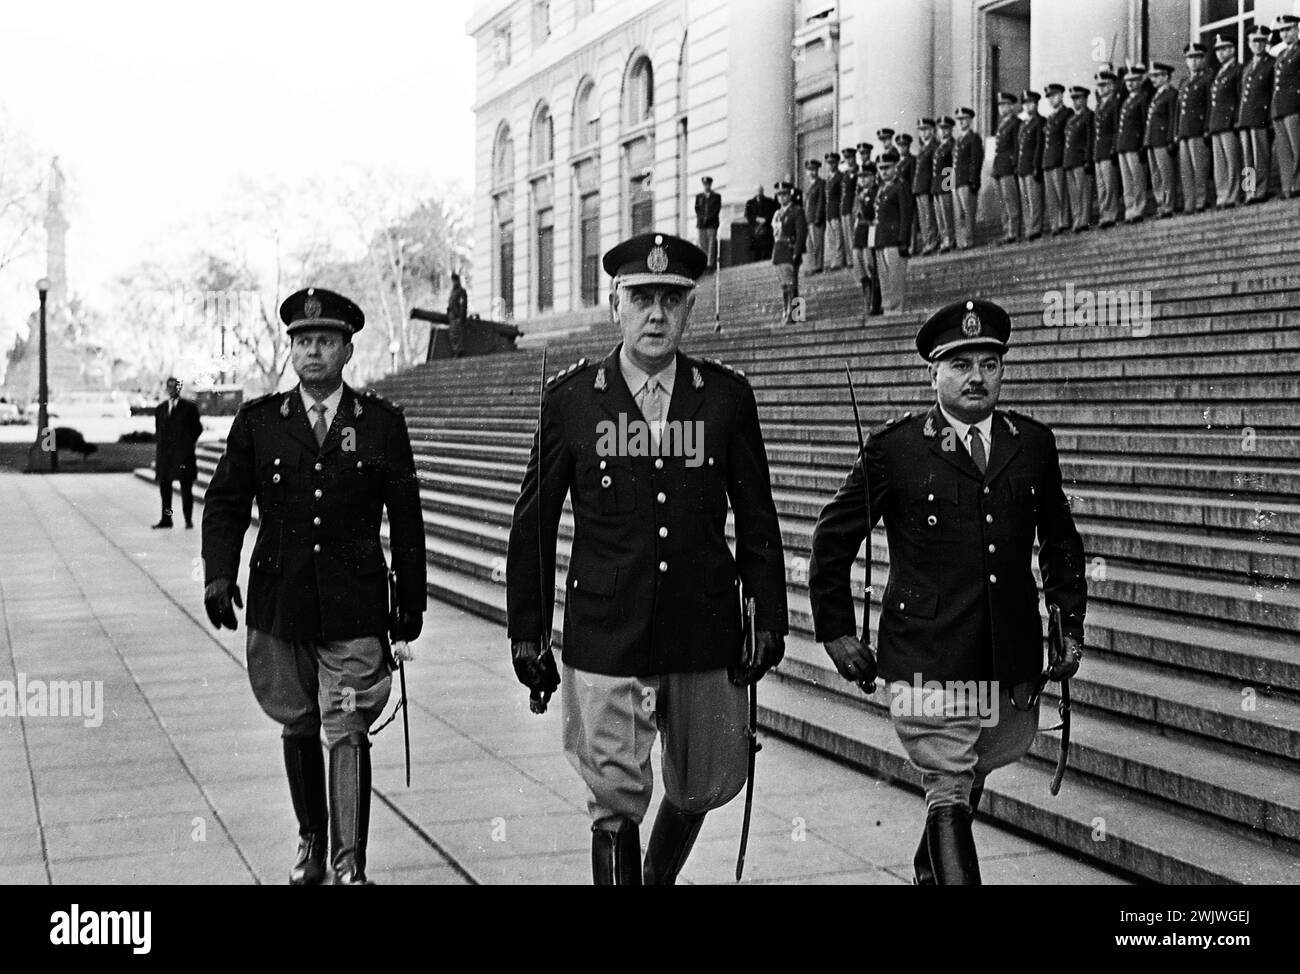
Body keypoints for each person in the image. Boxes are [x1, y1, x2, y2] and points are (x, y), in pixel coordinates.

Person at [505, 232, 789, 885]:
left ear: (689, 308)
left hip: (702, 623)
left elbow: (757, 517)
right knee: (613, 799)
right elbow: (534, 523)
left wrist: (766, 614)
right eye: (640, 298)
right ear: (615, 307)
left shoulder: (724, 398)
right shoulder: (573, 400)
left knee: (702, 784)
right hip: (607, 628)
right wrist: (528, 630)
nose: (655, 313)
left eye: (671, 299)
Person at [808, 298, 1086, 885]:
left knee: (967, 776)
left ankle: (928, 873)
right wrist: (835, 631)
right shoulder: (897, 449)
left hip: (1004, 653)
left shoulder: (1031, 444)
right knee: (947, 783)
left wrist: (1069, 625)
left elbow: (1060, 542)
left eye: (989, 363)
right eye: (960, 364)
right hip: (926, 656)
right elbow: (833, 541)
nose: (977, 377)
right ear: (932, 372)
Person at [201, 287, 427, 886]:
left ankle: (350, 864)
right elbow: (225, 501)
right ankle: (312, 842)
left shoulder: (379, 425)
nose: (312, 353)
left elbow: (407, 520)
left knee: (347, 725)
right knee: (298, 723)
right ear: (291, 350)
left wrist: (410, 604)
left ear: (348, 349)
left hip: (354, 608)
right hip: (282, 605)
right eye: (303, 342)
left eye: (325, 341)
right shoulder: (259, 423)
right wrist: (219, 571)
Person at [152, 376, 203, 529]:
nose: (172, 389)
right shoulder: (160, 409)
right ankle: (166, 519)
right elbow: (159, 430)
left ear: (179, 389)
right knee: (165, 489)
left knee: (186, 489)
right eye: (169, 386)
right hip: (165, 457)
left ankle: (188, 519)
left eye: (175, 386)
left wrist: (186, 444)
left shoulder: (189, 408)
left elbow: (197, 429)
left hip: (183, 456)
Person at [1239, 25, 1275, 204]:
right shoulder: (1247, 67)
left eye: (1262, 40)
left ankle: (1260, 190)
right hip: (1245, 118)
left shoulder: (1272, 63)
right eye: (1254, 40)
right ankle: (1249, 191)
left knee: (1260, 155)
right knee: (1247, 157)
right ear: (1248, 43)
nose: (1258, 44)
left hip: (1261, 117)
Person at [872, 151, 912, 313]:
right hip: (881, 240)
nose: (884, 172)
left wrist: (904, 240)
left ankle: (896, 312)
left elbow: (906, 215)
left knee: (895, 278)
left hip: (895, 240)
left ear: (895, 167)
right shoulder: (881, 189)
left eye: (887, 167)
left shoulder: (901, 186)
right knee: (884, 280)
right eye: (881, 168)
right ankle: (889, 310)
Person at [1177, 43, 1213, 215]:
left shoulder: (1208, 78)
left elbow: (1209, 106)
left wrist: (1206, 127)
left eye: (1197, 57)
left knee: (1200, 168)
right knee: (1186, 170)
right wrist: (1177, 132)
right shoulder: (1184, 82)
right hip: (1184, 130)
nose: (1193, 61)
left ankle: (1200, 200)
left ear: (1203, 59)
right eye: (1190, 58)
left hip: (1198, 129)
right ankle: (1189, 202)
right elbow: (1179, 110)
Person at [1208, 35, 1243, 208]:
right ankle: (1223, 196)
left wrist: (1237, 119)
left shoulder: (1238, 69)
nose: (1221, 53)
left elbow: (1240, 97)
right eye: (1218, 50)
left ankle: (1236, 194)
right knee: (1220, 164)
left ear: (1233, 49)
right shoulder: (1219, 73)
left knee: (1234, 161)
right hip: (1217, 123)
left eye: (1224, 49)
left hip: (1230, 122)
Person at [1116, 65, 1152, 223]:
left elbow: (1145, 122)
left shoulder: (1143, 98)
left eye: (1134, 80)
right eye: (1127, 81)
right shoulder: (1126, 100)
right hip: (1123, 144)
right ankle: (1130, 209)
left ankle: (1139, 208)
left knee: (1137, 179)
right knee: (1127, 181)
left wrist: (1143, 143)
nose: (1130, 84)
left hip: (1134, 143)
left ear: (1140, 81)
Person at [771, 181, 809, 325]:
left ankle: (796, 314)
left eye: (784, 194)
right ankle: (791, 313)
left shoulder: (796, 210)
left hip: (790, 249)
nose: (782, 198)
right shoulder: (777, 213)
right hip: (779, 251)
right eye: (779, 195)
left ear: (790, 195)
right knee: (784, 285)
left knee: (792, 284)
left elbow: (801, 232)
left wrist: (797, 252)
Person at [1144, 63, 1179, 218]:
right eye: (1152, 76)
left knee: (1166, 174)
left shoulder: (1171, 94)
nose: (1154, 79)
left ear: (1166, 77)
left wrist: (1171, 138)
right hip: (1153, 140)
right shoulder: (1156, 94)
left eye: (1157, 76)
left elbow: (1172, 118)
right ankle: (1161, 203)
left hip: (1163, 140)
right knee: (1156, 175)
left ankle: (1168, 204)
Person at [1274, 15, 1300, 199]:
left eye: (1288, 29)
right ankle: (1287, 186)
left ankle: (1297, 184)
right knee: (1284, 151)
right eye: (1281, 30)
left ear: (1297, 29)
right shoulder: (1281, 54)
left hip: (1295, 105)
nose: (1284, 34)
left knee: (1297, 147)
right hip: (1279, 107)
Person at [1093, 71, 1124, 227]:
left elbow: (1117, 127)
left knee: (1109, 183)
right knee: (1101, 186)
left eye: (1103, 85)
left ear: (1111, 86)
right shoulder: (1099, 105)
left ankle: (1111, 213)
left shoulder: (1115, 104)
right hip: (1099, 150)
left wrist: (1114, 147)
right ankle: (1103, 213)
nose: (1100, 88)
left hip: (1108, 148)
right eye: (1099, 85)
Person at [1063, 86, 1095, 231]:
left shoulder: (1088, 115)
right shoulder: (1071, 119)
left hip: (1081, 158)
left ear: (1085, 99)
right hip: (1070, 159)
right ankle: (1077, 218)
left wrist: (1088, 158)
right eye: (1074, 99)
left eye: (1079, 98)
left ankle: (1084, 219)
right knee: (1074, 194)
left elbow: (1090, 138)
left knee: (1083, 191)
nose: (1076, 101)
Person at [952, 107, 984, 249]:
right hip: (956, 182)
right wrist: (949, 184)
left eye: (964, 119)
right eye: (959, 120)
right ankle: (961, 241)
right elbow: (952, 164)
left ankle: (969, 240)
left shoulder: (973, 138)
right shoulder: (958, 140)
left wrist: (973, 180)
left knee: (968, 211)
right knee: (958, 214)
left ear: (970, 120)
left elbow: (976, 160)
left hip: (967, 181)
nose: (961, 122)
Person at [852, 163, 881, 318]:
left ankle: (875, 303)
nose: (862, 180)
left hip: (870, 231)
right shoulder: (858, 194)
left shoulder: (877, 192)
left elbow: (872, 214)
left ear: (873, 177)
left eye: (865, 176)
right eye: (860, 177)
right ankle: (867, 300)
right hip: (859, 234)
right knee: (860, 269)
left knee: (871, 267)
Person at [992, 93, 1022, 243]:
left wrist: (1015, 164)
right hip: (999, 167)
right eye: (1000, 105)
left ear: (1011, 106)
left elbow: (1016, 147)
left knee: (1011, 201)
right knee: (1002, 202)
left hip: (1008, 167)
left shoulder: (1015, 123)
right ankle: (1007, 229)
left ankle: (1014, 230)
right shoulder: (1002, 124)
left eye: (1004, 105)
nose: (1001, 108)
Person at [1016, 92, 1046, 239]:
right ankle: (1029, 228)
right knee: (1026, 200)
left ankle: (1035, 227)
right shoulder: (1023, 124)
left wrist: (1036, 166)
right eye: (1025, 103)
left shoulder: (1040, 121)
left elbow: (1039, 146)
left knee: (1034, 199)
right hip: (1022, 166)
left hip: (1032, 165)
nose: (1028, 106)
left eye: (1031, 103)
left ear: (1036, 104)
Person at [912, 118, 940, 255]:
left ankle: (932, 241)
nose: (923, 134)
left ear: (932, 131)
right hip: (919, 188)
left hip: (928, 187)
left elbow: (938, 169)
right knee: (923, 218)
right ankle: (927, 242)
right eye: (921, 131)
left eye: (926, 130)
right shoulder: (923, 148)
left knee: (929, 217)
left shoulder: (934, 147)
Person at [932, 116, 957, 252]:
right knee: (940, 215)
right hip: (937, 184)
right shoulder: (939, 146)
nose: (943, 131)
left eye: (946, 128)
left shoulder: (952, 145)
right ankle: (944, 239)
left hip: (945, 183)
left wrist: (948, 186)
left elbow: (951, 166)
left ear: (951, 129)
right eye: (941, 129)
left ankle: (949, 240)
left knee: (947, 214)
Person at [824, 152, 847, 269]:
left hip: (836, 209)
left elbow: (842, 195)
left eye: (833, 162)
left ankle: (839, 260)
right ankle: (833, 259)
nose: (830, 165)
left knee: (838, 236)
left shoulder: (840, 176)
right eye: (828, 163)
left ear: (837, 163)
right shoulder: (828, 178)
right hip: (829, 211)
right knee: (831, 238)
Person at [804, 158, 827, 273]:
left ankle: (818, 265)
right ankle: (812, 265)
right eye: (809, 170)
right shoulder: (808, 185)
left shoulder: (821, 183)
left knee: (817, 243)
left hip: (816, 218)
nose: (812, 172)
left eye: (814, 169)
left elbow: (821, 201)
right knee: (810, 244)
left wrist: (818, 216)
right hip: (808, 218)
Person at [694, 176, 722, 271]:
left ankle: (710, 263)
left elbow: (716, 210)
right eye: (705, 184)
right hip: (701, 224)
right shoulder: (699, 197)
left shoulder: (716, 196)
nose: (706, 186)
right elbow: (697, 209)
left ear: (710, 185)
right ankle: (704, 262)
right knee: (703, 243)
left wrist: (708, 218)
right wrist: (702, 218)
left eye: (708, 184)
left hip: (712, 224)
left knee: (711, 244)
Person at [744, 184, 777, 261]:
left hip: (767, 230)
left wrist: (766, 220)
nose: (759, 192)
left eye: (761, 190)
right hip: (755, 231)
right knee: (756, 253)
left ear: (763, 191)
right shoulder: (750, 202)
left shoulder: (770, 201)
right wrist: (756, 219)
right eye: (758, 190)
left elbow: (773, 213)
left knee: (767, 253)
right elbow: (747, 215)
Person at [839, 147, 859, 267]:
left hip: (852, 205)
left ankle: (854, 260)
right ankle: (850, 259)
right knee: (847, 235)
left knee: (853, 234)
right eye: (846, 158)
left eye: (850, 158)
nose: (848, 161)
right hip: (845, 206)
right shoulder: (845, 174)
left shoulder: (858, 172)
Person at [443, 271, 468, 360]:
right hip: (452, 316)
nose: (454, 282)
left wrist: (461, 317)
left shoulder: (461, 291)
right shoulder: (452, 292)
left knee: (457, 334)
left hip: (457, 317)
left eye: (455, 280)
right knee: (452, 335)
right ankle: (455, 351)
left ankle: (458, 351)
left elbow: (462, 305)